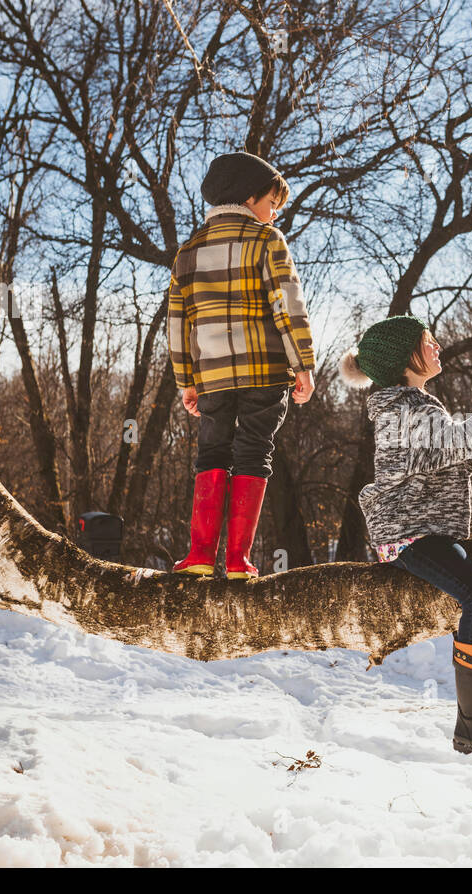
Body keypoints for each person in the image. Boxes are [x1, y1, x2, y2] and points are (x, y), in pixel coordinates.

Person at [340, 315, 472, 760]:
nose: (438, 348)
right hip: (406, 534)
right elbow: (452, 445)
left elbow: (454, 462)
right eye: (428, 343)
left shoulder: (417, 404)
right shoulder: (400, 409)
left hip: (430, 529)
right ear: (404, 358)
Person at [168, 151, 315, 579]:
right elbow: (288, 306)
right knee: (254, 450)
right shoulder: (267, 240)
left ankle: (198, 556)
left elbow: (179, 323)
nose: (273, 215)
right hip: (265, 373)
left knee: (211, 450)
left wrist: (186, 381)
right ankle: (237, 561)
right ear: (250, 198)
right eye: (272, 204)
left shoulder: (188, 252)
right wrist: (302, 364)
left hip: (212, 378)